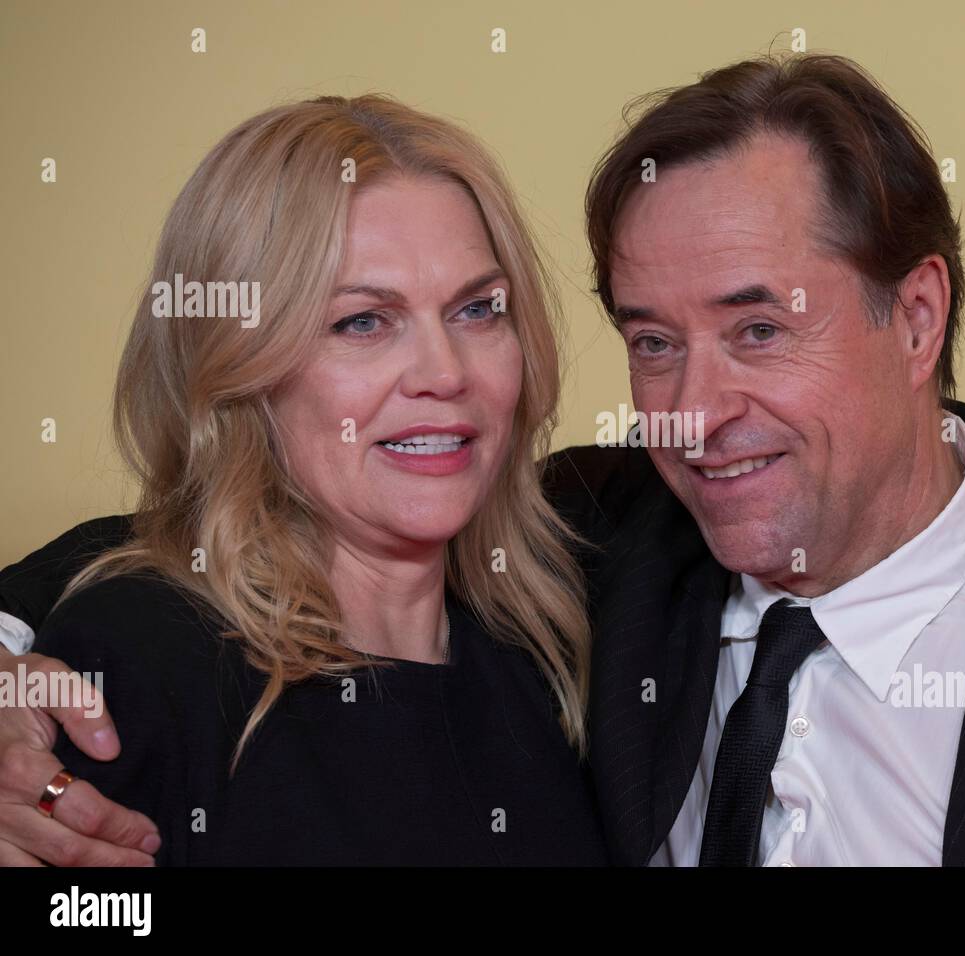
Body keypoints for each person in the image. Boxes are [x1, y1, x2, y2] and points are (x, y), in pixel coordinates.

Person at [4, 54, 965, 867]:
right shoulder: (594, 541)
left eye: (757, 327)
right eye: (653, 341)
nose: (700, 407)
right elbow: (191, 557)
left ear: (916, 316)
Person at [0, 94, 607, 865]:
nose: (445, 373)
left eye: (477, 311)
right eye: (362, 321)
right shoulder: (137, 663)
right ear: (238, 370)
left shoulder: (552, 641)